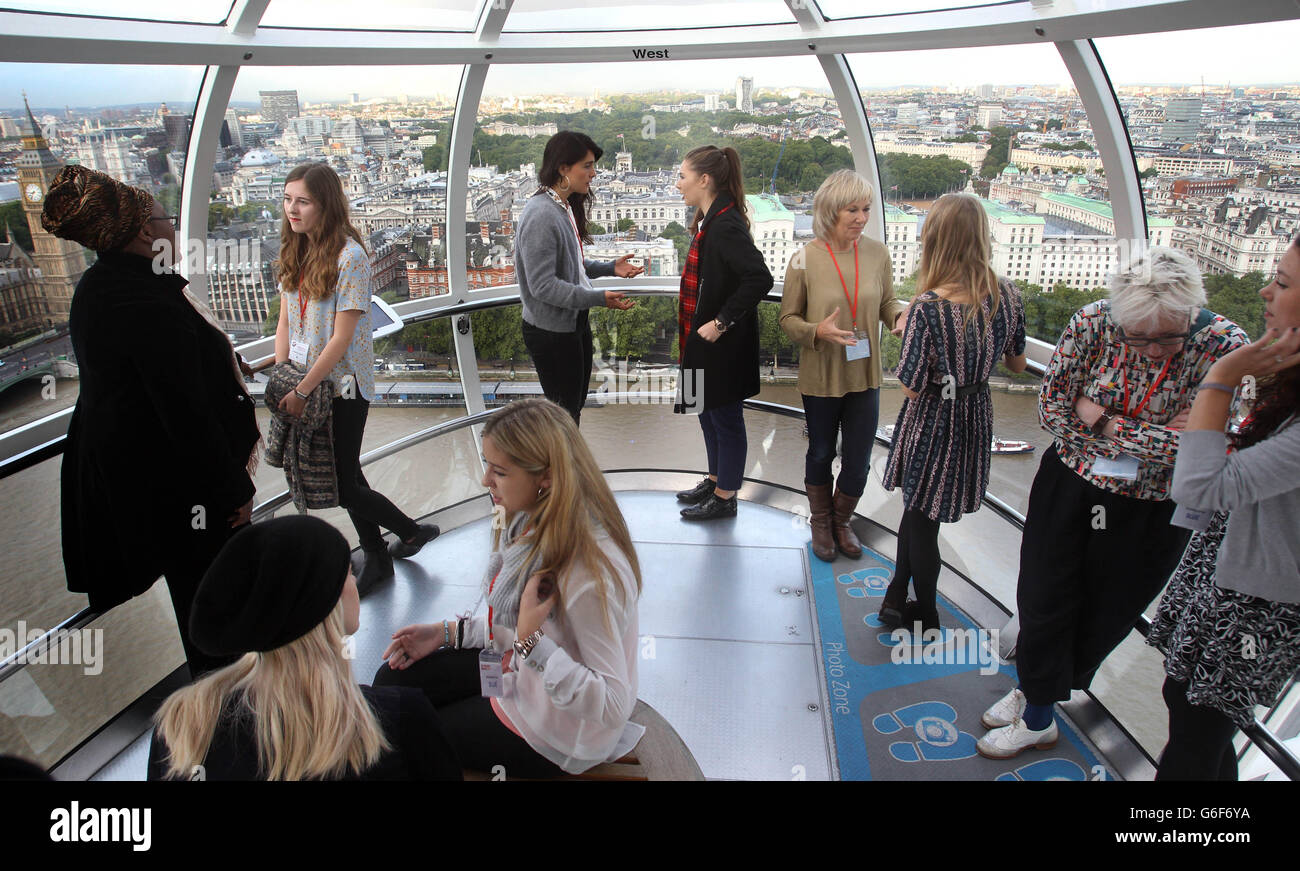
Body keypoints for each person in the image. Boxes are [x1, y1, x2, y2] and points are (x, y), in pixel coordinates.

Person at [978, 245, 1249, 759]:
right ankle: (1038, 708)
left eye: (1169, 336)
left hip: (1150, 511)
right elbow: (1053, 410)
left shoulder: (1225, 346)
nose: (1151, 350)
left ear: (1193, 313)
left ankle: (1039, 696)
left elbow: (1219, 448)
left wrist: (1104, 421)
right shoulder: (1092, 324)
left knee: (1108, 611)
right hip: (1073, 487)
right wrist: (1158, 438)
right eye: (1138, 337)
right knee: (1043, 595)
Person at [44, 165, 260, 678]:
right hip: (186, 498)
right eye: (165, 217)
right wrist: (234, 491)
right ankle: (231, 717)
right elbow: (183, 415)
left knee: (201, 607)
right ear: (144, 232)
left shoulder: (103, 287)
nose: (173, 227)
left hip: (154, 491)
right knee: (214, 608)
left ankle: (223, 713)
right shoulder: (144, 302)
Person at [374, 398, 644, 778]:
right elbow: (511, 622)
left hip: (555, 727)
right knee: (392, 683)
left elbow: (615, 703)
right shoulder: (523, 526)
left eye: (499, 471)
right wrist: (446, 633)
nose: (486, 481)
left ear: (545, 477)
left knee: (407, 734)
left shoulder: (586, 570)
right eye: (487, 465)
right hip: (517, 669)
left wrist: (532, 644)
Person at [1147, 235, 1300, 780]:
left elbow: (1199, 488)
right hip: (1231, 570)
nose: (1265, 289)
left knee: (1196, 730)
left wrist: (1220, 379)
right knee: (1190, 709)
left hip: (1259, 601)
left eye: (1282, 283)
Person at [148, 516, 461, 781]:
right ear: (328, 602)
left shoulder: (181, 728)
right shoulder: (397, 720)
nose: (354, 580)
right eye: (349, 572)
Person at [274, 162, 438, 596]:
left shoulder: (351, 257)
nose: (292, 209)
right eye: (288, 199)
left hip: (344, 386)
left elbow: (343, 337)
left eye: (302, 201)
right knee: (347, 475)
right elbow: (286, 322)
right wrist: (283, 375)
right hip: (306, 381)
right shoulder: (296, 249)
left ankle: (407, 532)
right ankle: (380, 552)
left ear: (325, 204)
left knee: (343, 482)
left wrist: (301, 388)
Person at [880, 193, 1027, 630]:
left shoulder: (927, 307)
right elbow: (1017, 364)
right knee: (919, 513)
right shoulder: (1008, 296)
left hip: (932, 421)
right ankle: (894, 594)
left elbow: (909, 385)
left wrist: (906, 330)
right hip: (975, 413)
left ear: (935, 242)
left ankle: (925, 612)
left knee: (921, 520)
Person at [780, 169, 906, 560]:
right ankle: (820, 521)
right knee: (820, 453)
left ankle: (841, 520)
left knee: (858, 461)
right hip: (821, 376)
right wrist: (818, 330)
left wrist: (900, 316)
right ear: (830, 210)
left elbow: (887, 301)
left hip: (865, 373)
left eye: (866, 209)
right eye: (852, 209)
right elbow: (787, 320)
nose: (862, 218)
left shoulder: (877, 253)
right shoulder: (803, 259)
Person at [672, 145, 774, 521]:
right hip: (699, 343)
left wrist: (721, 322)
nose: (678, 183)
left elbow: (759, 278)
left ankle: (726, 497)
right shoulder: (709, 219)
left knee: (725, 419)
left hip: (719, 345)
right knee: (705, 412)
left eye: (683, 176)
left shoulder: (725, 224)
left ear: (704, 179)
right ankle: (715, 479)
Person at [515, 131, 643, 425]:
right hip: (552, 333)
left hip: (571, 323)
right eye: (586, 166)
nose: (593, 173)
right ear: (563, 168)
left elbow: (571, 266)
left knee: (573, 409)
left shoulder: (561, 206)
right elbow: (543, 286)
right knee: (565, 416)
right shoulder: (541, 215)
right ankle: (564, 470)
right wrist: (598, 298)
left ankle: (568, 468)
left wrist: (610, 268)